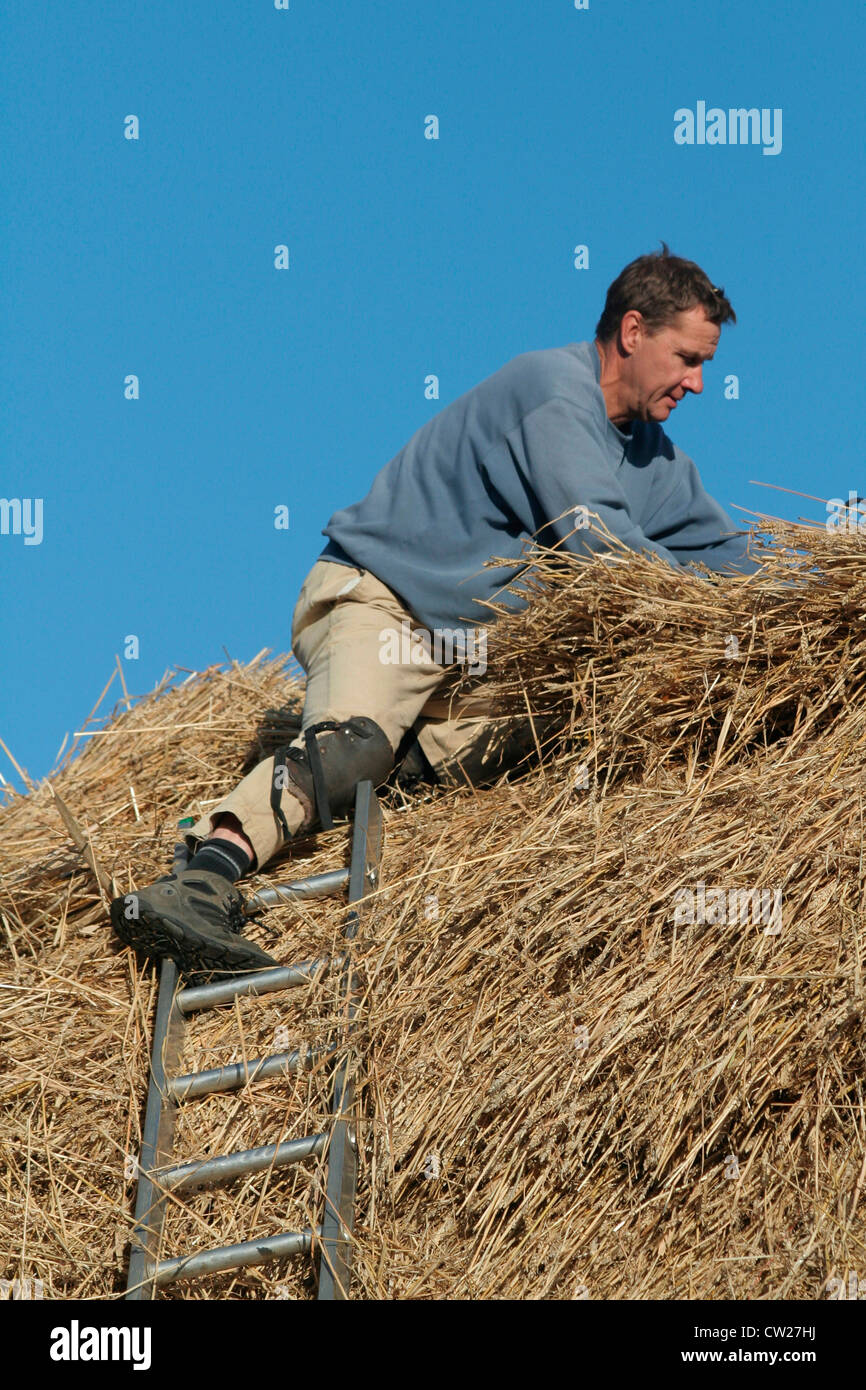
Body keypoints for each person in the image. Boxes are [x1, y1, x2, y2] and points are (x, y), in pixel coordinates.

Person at [110, 242, 758, 975]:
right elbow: (598, 538)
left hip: (463, 653)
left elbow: (734, 563)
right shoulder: (553, 393)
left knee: (585, 708)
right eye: (688, 358)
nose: (699, 383)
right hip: (382, 600)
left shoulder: (655, 460)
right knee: (352, 744)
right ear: (633, 331)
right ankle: (203, 874)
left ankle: (396, 761)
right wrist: (690, 594)